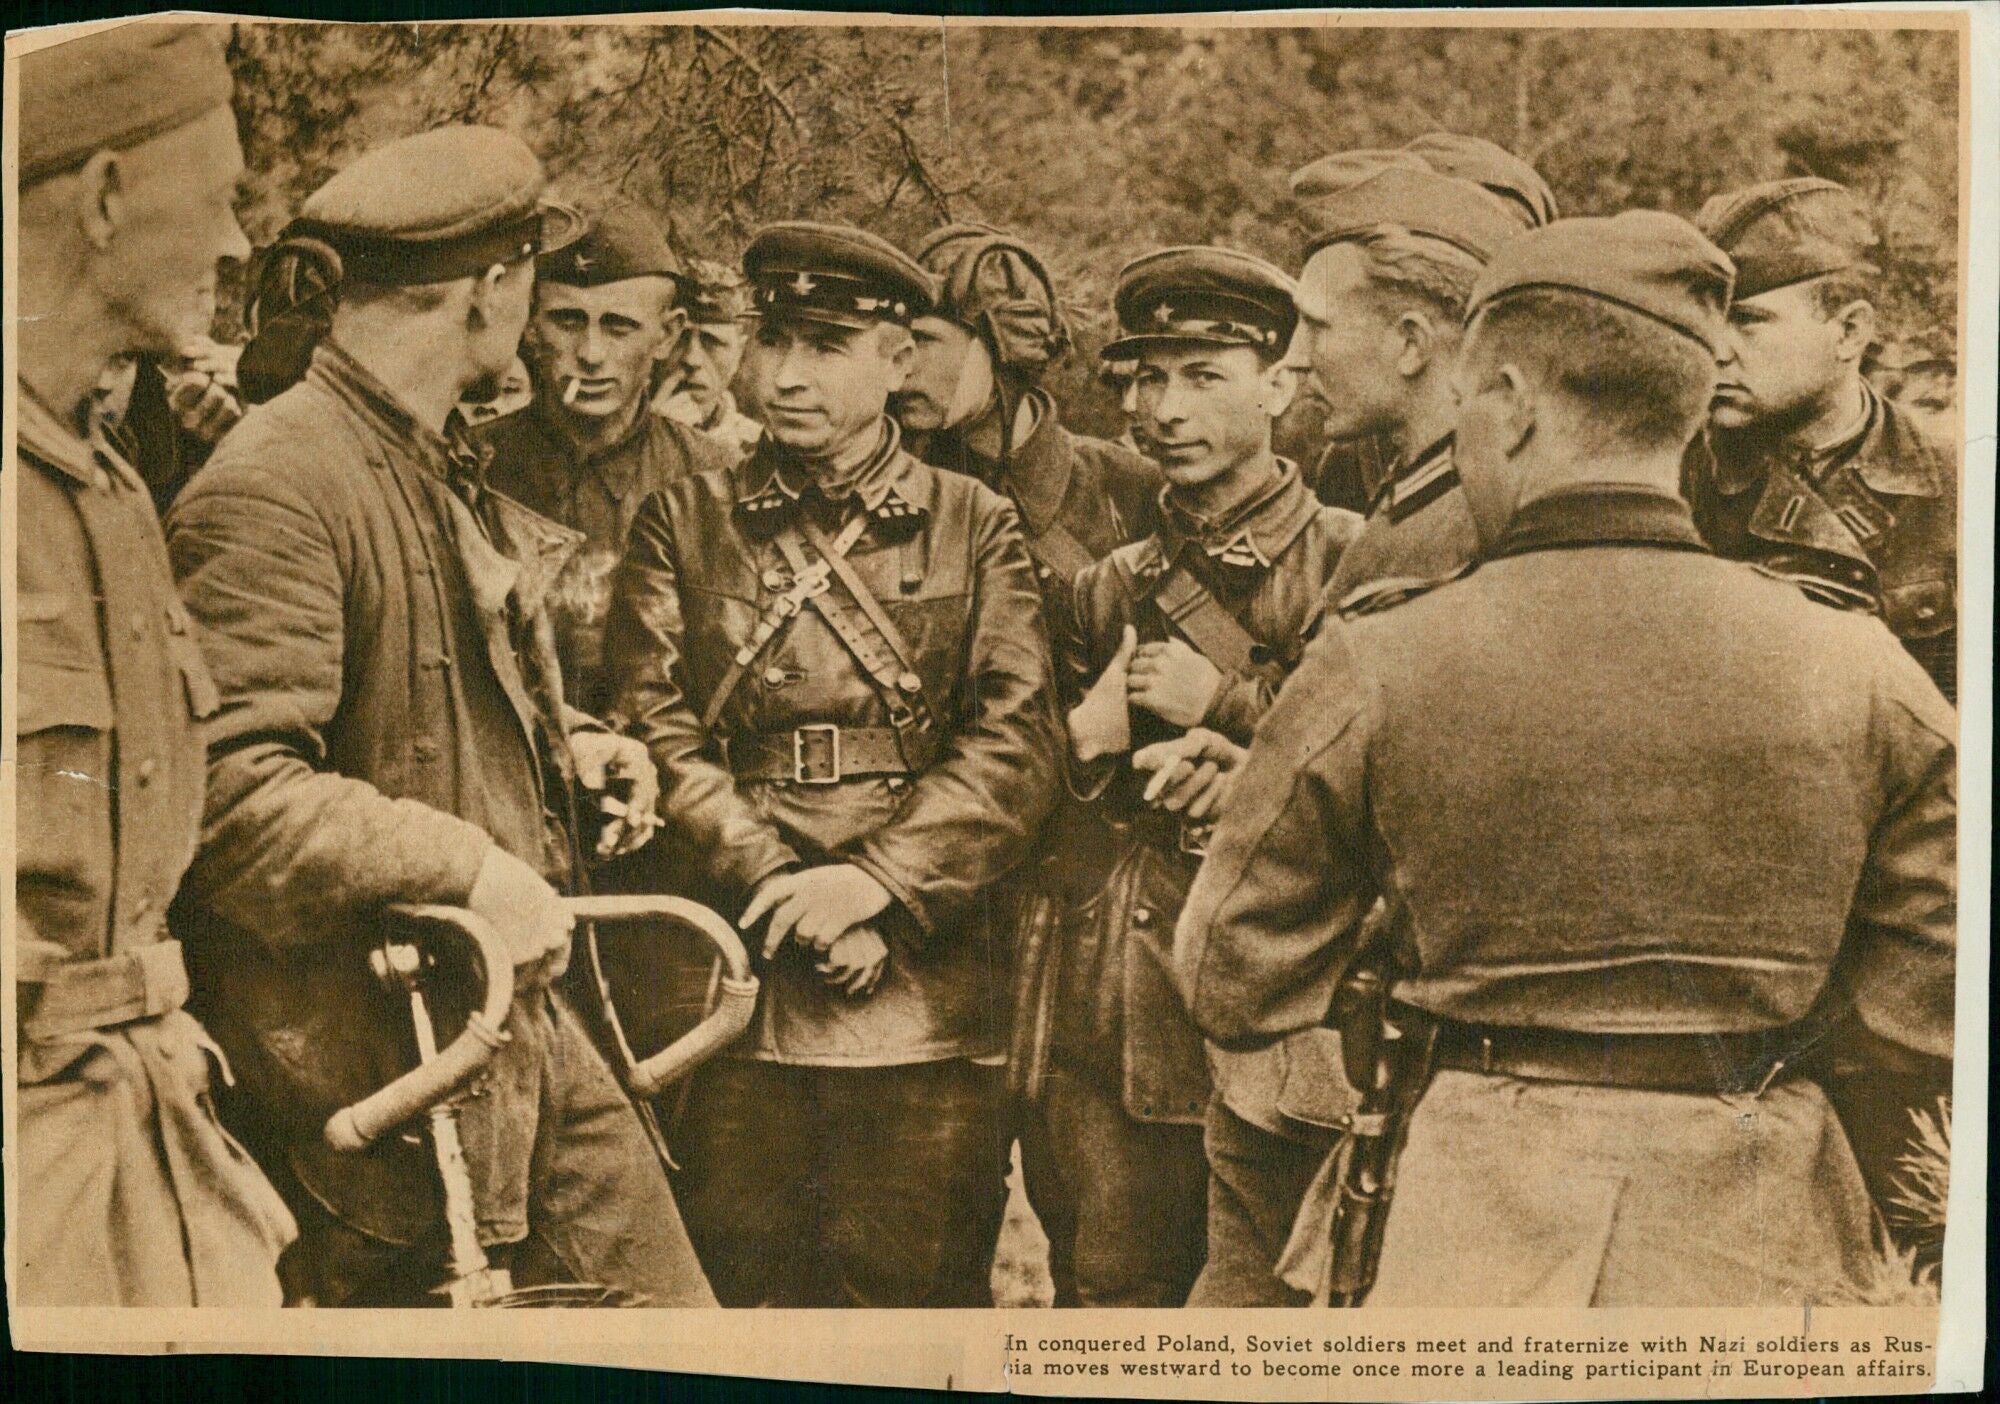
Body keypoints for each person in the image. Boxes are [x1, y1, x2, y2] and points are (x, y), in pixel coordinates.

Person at [1177, 212, 1955, 1308]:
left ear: (1506, 400)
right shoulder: (1859, 661)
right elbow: (1932, 987)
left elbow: (1228, 974)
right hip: (1768, 1217)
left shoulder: (1381, 656)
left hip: (1473, 1210)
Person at [165, 125, 714, 1308]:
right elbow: (226, 793)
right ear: (493, 292)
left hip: (494, 1031)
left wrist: (567, 758)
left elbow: (410, 715)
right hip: (388, 1063)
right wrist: (470, 864)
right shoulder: (280, 480)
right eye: (533, 289)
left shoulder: (410, 456)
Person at [602, 222, 1060, 1306]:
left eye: (825, 344)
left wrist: (874, 887)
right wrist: (776, 889)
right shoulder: (684, 518)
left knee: (911, 1308)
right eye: (773, 340)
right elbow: (650, 724)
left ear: (898, 364)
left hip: (923, 995)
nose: (786, 374)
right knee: (732, 1300)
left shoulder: (972, 522)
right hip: (732, 979)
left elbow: (1015, 738)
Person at [11, 20, 296, 1309]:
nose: (243, 243)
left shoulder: (109, 488)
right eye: (226, 195)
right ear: (109, 193)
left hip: (149, 1129)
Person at [1038, 247, 1360, 1306]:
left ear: (1279, 385)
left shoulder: (1355, 563)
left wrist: (1223, 712)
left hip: (1293, 999)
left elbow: (1389, 775)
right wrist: (1085, 751)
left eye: (1201, 375)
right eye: (1145, 378)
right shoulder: (1103, 588)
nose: (1160, 408)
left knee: (1283, 1309)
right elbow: (1052, 803)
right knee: (1112, 1296)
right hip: (1126, 1003)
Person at [894, 230, 1161, 1295]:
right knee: (922, 1248)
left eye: (917, 340)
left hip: (1084, 915)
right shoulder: (881, 487)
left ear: (1000, 344)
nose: (894, 369)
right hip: (936, 912)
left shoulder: (1126, 489)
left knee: (1106, 1240)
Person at [1685, 177, 1958, 702]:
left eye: (1747, 321)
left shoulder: (1955, 490)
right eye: (1708, 321)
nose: (1715, 350)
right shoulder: (1675, 478)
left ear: (1850, 332)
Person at [475, 202, 734, 716]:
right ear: (529, 325)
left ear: (667, 336)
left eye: (619, 327)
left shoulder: (714, 477)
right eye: (567, 321)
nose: (590, 354)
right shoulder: (470, 464)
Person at [1288, 134, 1555, 600]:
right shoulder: (1419, 501)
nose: (1295, 357)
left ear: (1412, 344)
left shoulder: (1463, 532)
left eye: (1318, 326)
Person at [656, 255, 764, 457]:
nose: (692, 359)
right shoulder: (613, 435)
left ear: (739, 352)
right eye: (680, 338)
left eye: (711, 342)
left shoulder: (760, 450)